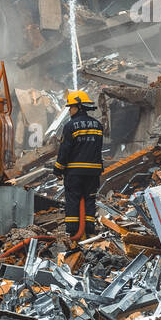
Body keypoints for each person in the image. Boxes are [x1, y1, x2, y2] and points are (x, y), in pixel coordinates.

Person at [53, 90, 105, 239]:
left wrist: (58, 169)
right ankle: (89, 229)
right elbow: (97, 149)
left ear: (78, 107)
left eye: (71, 107)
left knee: (73, 199)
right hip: (93, 172)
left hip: (75, 172)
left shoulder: (70, 126)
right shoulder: (98, 125)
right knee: (89, 199)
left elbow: (65, 150)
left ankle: (73, 231)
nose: (69, 110)